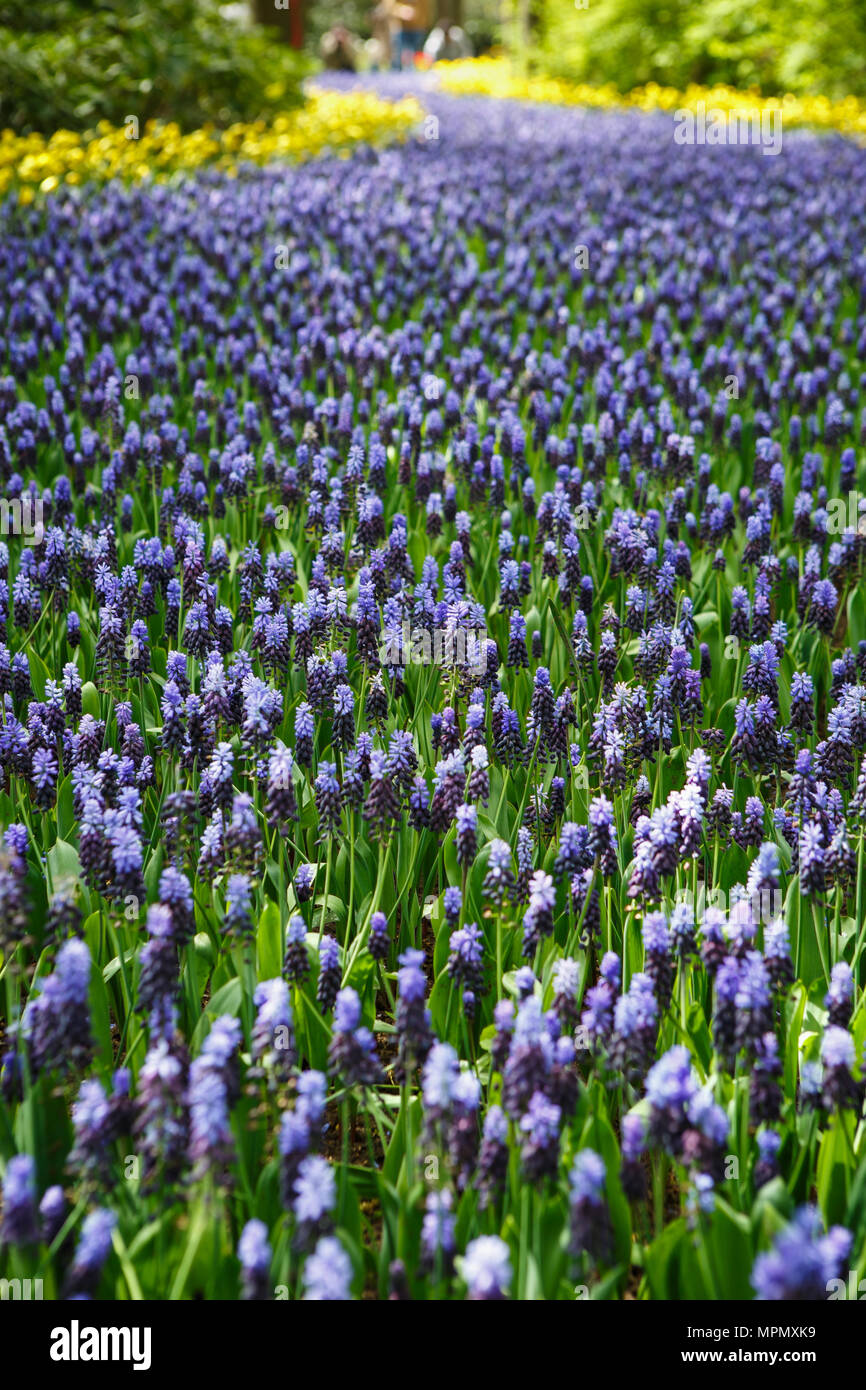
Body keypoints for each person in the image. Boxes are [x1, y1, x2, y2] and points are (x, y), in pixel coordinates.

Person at [392, 0, 430, 69]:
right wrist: (401, 11)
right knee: (399, 58)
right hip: (402, 29)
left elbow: (426, 9)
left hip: (419, 29)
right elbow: (390, 8)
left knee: (418, 58)